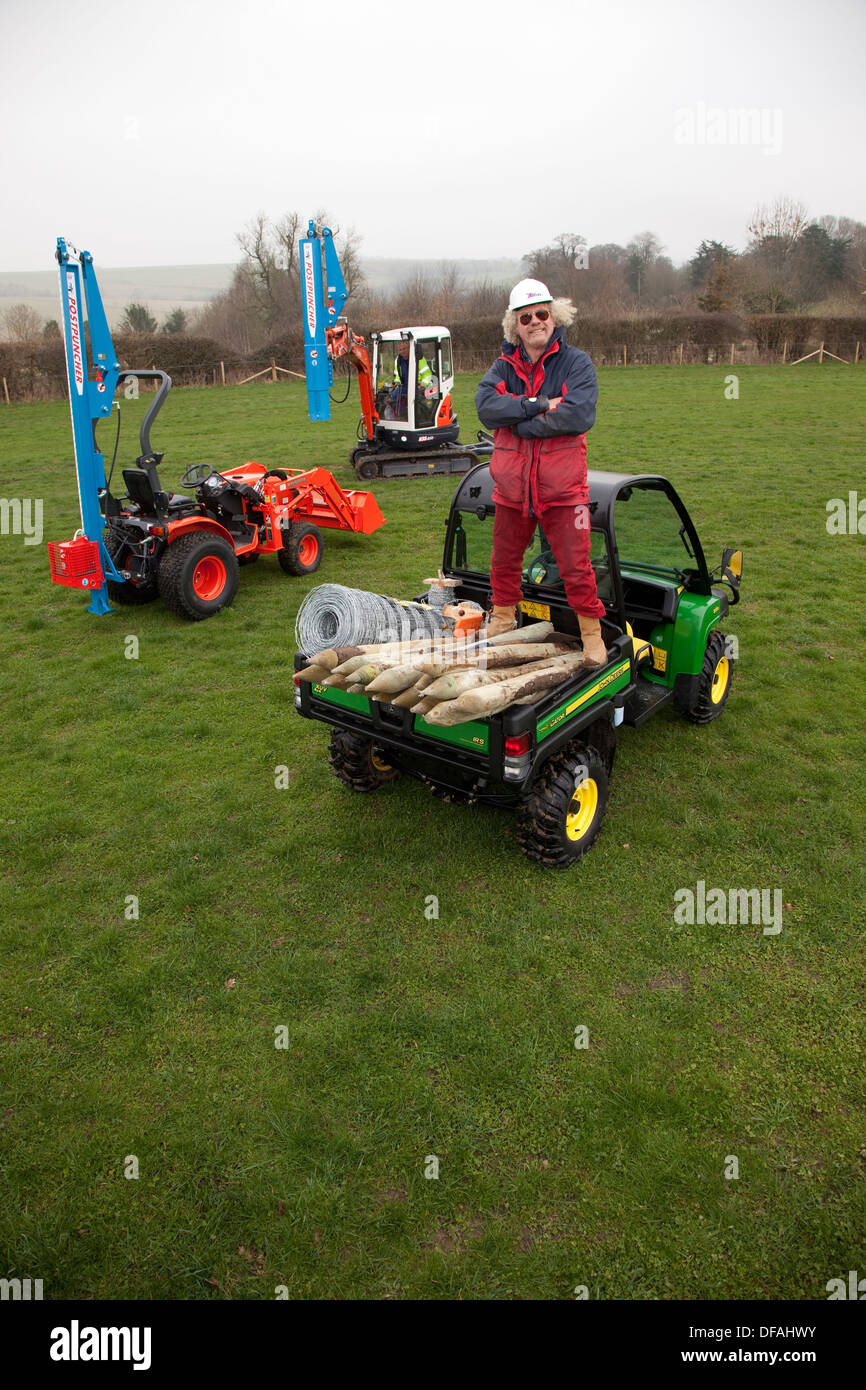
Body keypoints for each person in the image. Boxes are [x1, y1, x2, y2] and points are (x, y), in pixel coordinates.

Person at [474, 278, 607, 666]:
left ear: (555, 316)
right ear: (515, 325)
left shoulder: (576, 363)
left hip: (564, 491)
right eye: (526, 316)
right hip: (512, 490)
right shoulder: (503, 366)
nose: (535, 322)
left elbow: (579, 414)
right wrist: (541, 404)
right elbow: (487, 407)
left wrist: (519, 419)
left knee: (576, 567)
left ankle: (591, 636)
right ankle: (501, 620)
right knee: (503, 561)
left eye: (542, 314)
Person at [389, 340, 433, 420]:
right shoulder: (398, 360)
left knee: (418, 402)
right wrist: (396, 383)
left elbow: (427, 374)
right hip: (405, 386)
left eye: (404, 348)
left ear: (409, 348)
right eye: (400, 349)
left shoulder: (419, 358)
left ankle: (419, 418)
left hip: (419, 385)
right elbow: (397, 376)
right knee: (393, 397)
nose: (402, 351)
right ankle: (402, 416)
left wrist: (422, 385)